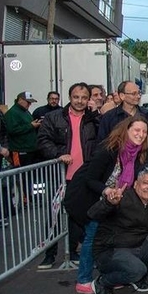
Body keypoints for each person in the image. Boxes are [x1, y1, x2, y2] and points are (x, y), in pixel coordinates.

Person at [64, 116, 148, 294]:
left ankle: (111, 274)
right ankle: (83, 280)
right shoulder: (108, 149)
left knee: (108, 239)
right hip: (90, 200)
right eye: (137, 130)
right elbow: (90, 179)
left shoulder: (137, 154)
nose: (141, 134)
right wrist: (106, 190)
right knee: (91, 238)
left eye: (144, 131)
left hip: (112, 203)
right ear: (126, 130)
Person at [88, 168, 148, 294]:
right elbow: (92, 214)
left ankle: (137, 275)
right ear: (136, 184)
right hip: (111, 250)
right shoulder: (120, 197)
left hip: (139, 246)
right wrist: (109, 203)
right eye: (145, 183)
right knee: (137, 270)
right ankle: (103, 282)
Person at [37, 82, 99, 267]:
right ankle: (50, 255)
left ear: (89, 99)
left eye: (84, 97)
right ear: (69, 97)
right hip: (59, 175)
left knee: (77, 216)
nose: (80, 101)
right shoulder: (53, 117)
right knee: (54, 216)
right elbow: (43, 140)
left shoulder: (93, 119)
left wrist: (96, 114)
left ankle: (72, 252)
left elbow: (103, 140)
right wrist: (58, 154)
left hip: (83, 178)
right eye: (76, 97)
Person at [3, 91, 40, 166]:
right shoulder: (12, 113)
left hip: (29, 149)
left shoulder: (25, 111)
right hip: (19, 150)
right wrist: (31, 126)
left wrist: (33, 124)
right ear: (20, 100)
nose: (29, 104)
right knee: (20, 171)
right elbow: (12, 130)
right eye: (28, 102)